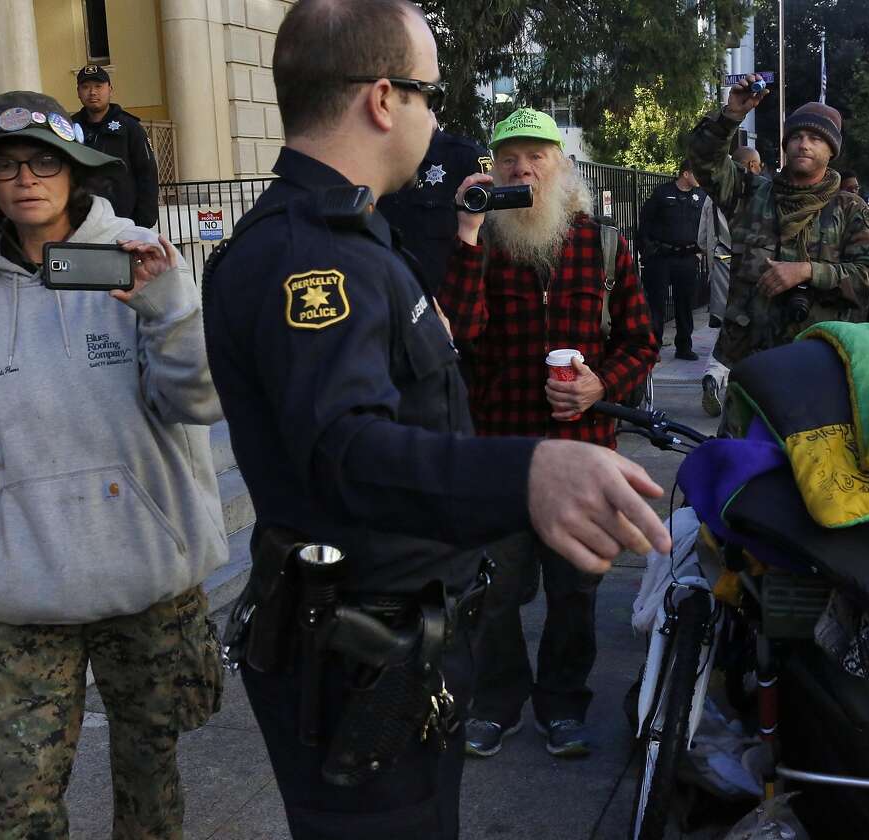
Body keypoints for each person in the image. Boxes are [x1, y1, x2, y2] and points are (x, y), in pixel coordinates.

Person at [200, 2, 671, 837]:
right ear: (384, 99)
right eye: (429, 95)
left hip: (391, 648)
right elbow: (345, 451)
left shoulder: (356, 235)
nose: (437, 118)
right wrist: (526, 470)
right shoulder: (315, 252)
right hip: (356, 658)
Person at [0, 90, 227, 838]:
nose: (26, 178)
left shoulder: (139, 258)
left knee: (149, 778)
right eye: (6, 166)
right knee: (20, 801)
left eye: (44, 161)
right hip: (23, 585)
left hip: (142, 569)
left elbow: (201, 400)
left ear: (75, 172)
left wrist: (169, 309)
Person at [435, 106, 657, 759]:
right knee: (495, 592)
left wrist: (600, 384)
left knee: (575, 590)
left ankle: (563, 704)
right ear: (492, 168)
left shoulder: (604, 244)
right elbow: (460, 332)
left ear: (561, 166)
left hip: (582, 452)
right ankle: (498, 702)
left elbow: (640, 343)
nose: (522, 167)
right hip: (500, 453)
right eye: (509, 158)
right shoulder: (480, 244)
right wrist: (468, 232)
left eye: (536, 155)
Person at [687, 78, 869, 373]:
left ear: (831, 150)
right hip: (751, 358)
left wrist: (809, 271)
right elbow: (704, 162)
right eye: (797, 136)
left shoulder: (850, 210)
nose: (804, 144)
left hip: (822, 362)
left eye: (816, 138)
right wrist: (731, 115)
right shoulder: (750, 194)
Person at [377, 123, 491, 294]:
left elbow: (487, 245)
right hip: (384, 300)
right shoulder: (373, 157)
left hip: (447, 304)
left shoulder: (466, 157)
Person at [699, 145, 761, 416]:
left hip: (722, 265)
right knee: (752, 330)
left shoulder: (711, 197)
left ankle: (714, 376)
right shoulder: (759, 193)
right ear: (750, 166)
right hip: (752, 269)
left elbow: (701, 238)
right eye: (757, 165)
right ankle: (745, 390)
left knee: (728, 330)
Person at [72, 64, 160, 228]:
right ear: (78, 92)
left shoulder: (130, 128)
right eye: (86, 87)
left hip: (124, 223)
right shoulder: (70, 128)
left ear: (110, 89)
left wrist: (142, 223)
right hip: (81, 224)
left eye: (98, 86)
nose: (92, 92)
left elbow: (147, 174)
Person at [637, 160, 706, 359]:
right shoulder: (662, 193)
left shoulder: (701, 197)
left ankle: (684, 347)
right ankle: (654, 347)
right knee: (656, 304)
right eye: (696, 173)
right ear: (685, 174)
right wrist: (647, 251)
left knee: (685, 304)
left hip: (687, 257)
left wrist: (701, 252)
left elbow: (707, 224)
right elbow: (645, 223)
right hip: (661, 258)